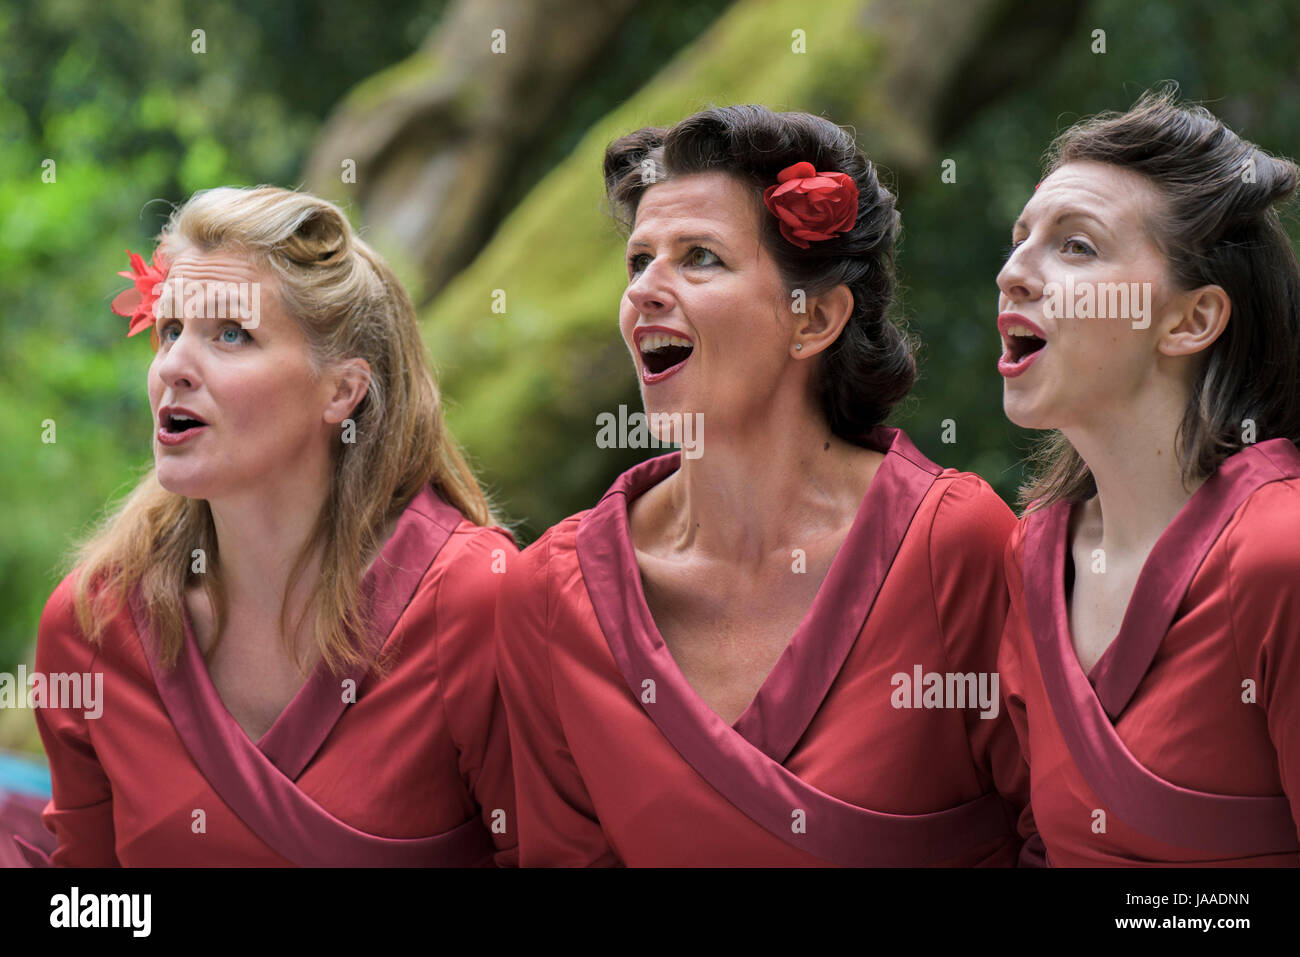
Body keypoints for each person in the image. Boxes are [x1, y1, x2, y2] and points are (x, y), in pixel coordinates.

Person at [496, 104, 1030, 866]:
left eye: (699, 257)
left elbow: (1061, 834)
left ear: (813, 321)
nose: (646, 288)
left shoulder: (951, 544)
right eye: (639, 259)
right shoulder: (550, 594)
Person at [20, 186, 517, 866]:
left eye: (231, 334)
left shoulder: (476, 601)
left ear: (342, 390)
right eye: (170, 330)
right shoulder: (93, 623)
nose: (173, 368)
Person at [996, 87, 1300, 865]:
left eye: (1077, 247)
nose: (1013, 273)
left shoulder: (1280, 555)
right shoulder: (1031, 553)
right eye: (1020, 238)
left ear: (1191, 319)